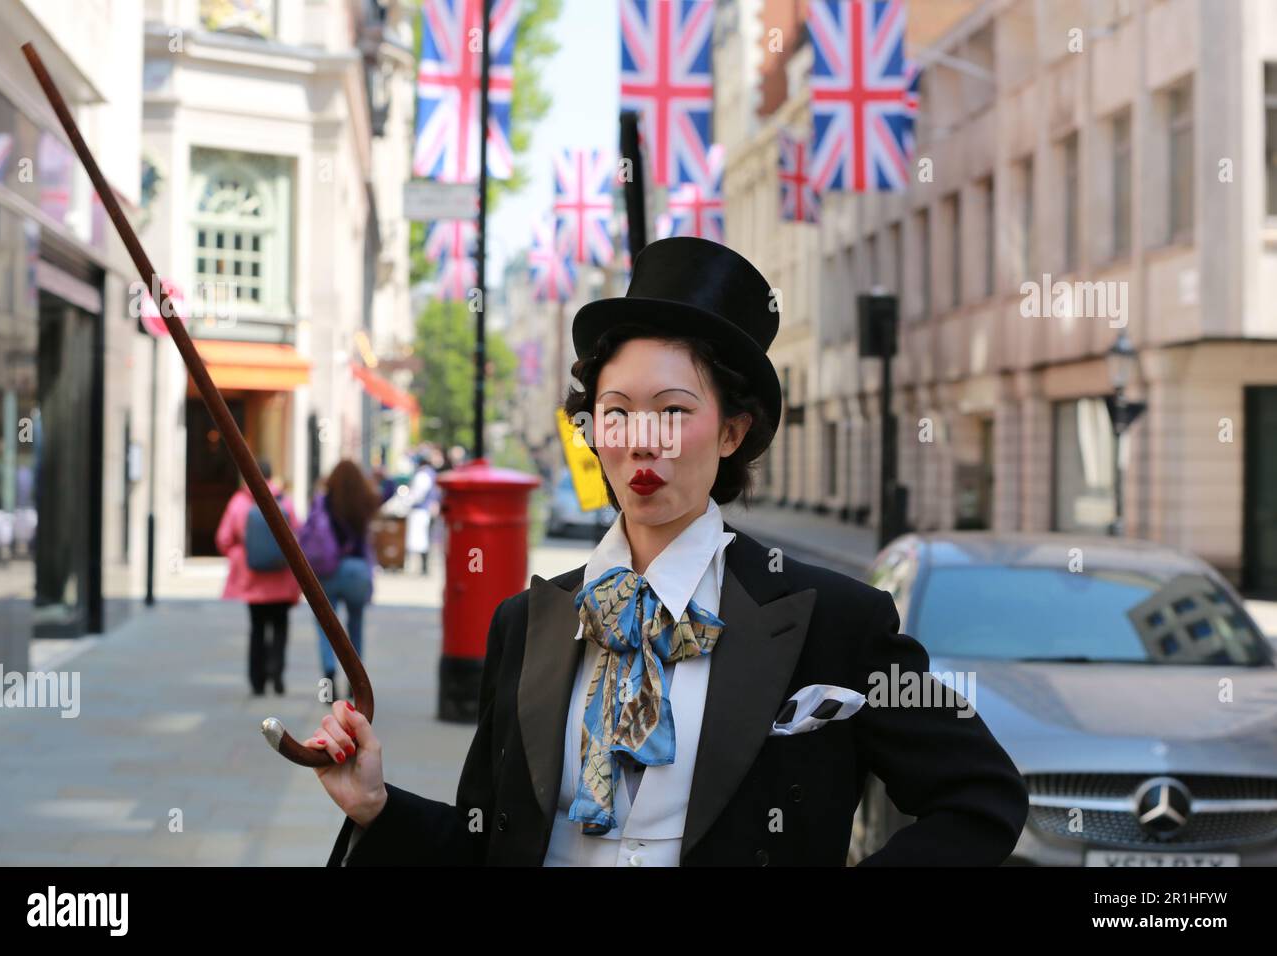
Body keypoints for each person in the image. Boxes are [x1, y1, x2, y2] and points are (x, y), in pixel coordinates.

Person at [306, 237, 1030, 866]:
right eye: (615, 411)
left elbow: (981, 799)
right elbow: (487, 844)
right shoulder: (527, 623)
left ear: (732, 432)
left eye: (674, 411)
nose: (640, 438)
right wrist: (376, 804)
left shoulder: (835, 622)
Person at [214, 459, 300, 696]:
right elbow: (297, 535)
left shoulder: (239, 502)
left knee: (257, 628)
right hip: (281, 579)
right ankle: (277, 674)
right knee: (281, 627)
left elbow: (223, 539)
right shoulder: (284, 501)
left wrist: (240, 555)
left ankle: (257, 680)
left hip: (253, 580)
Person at [300, 460, 382, 701]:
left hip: (329, 570)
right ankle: (356, 684)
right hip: (357, 571)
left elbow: (309, 530)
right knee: (355, 626)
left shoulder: (324, 500)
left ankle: (328, 675)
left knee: (326, 627)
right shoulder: (364, 501)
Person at [406, 451, 438, 576]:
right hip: (426, 510)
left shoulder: (422, 475)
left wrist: (407, 501)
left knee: (419, 540)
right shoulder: (430, 473)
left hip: (420, 510)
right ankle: (423, 567)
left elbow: (417, 494)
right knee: (424, 539)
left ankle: (421, 567)